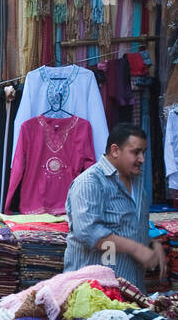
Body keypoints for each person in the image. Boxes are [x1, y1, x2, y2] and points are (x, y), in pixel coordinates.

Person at [64, 122, 166, 289]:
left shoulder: (137, 183)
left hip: (130, 288)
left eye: (144, 152)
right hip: (93, 291)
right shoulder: (90, 182)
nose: (142, 159)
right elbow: (89, 233)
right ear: (115, 150)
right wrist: (136, 249)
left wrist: (151, 243)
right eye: (136, 152)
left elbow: (127, 227)